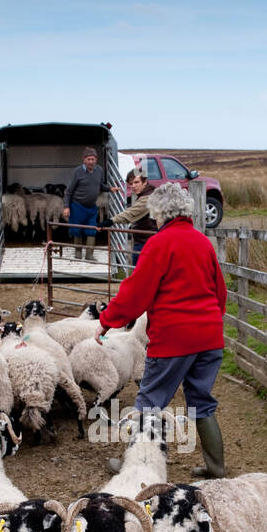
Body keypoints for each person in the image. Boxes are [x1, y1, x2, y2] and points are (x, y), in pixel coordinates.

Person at [96, 181, 227, 478]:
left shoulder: (159, 244)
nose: (153, 220)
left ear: (160, 214)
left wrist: (107, 320)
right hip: (209, 337)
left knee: (149, 402)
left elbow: (135, 293)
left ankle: (133, 463)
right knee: (201, 401)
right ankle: (216, 467)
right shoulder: (202, 242)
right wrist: (208, 324)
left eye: (154, 215)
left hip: (173, 339)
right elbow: (220, 291)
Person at [62, 147, 120, 260]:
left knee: (91, 230)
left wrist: (110, 189)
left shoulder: (99, 170)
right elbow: (69, 191)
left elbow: (100, 186)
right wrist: (66, 207)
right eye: (88, 159)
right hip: (77, 206)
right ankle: (78, 253)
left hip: (91, 207)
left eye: (93, 159)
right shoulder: (77, 172)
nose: (90, 162)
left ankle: (89, 255)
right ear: (84, 160)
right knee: (76, 230)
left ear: (96, 159)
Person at [110, 166, 157, 267]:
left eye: (136, 182)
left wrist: (110, 221)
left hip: (145, 242)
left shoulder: (147, 198)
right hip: (146, 240)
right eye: (131, 184)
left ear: (145, 182)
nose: (133, 186)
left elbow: (130, 214)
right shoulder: (149, 193)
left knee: (140, 273)